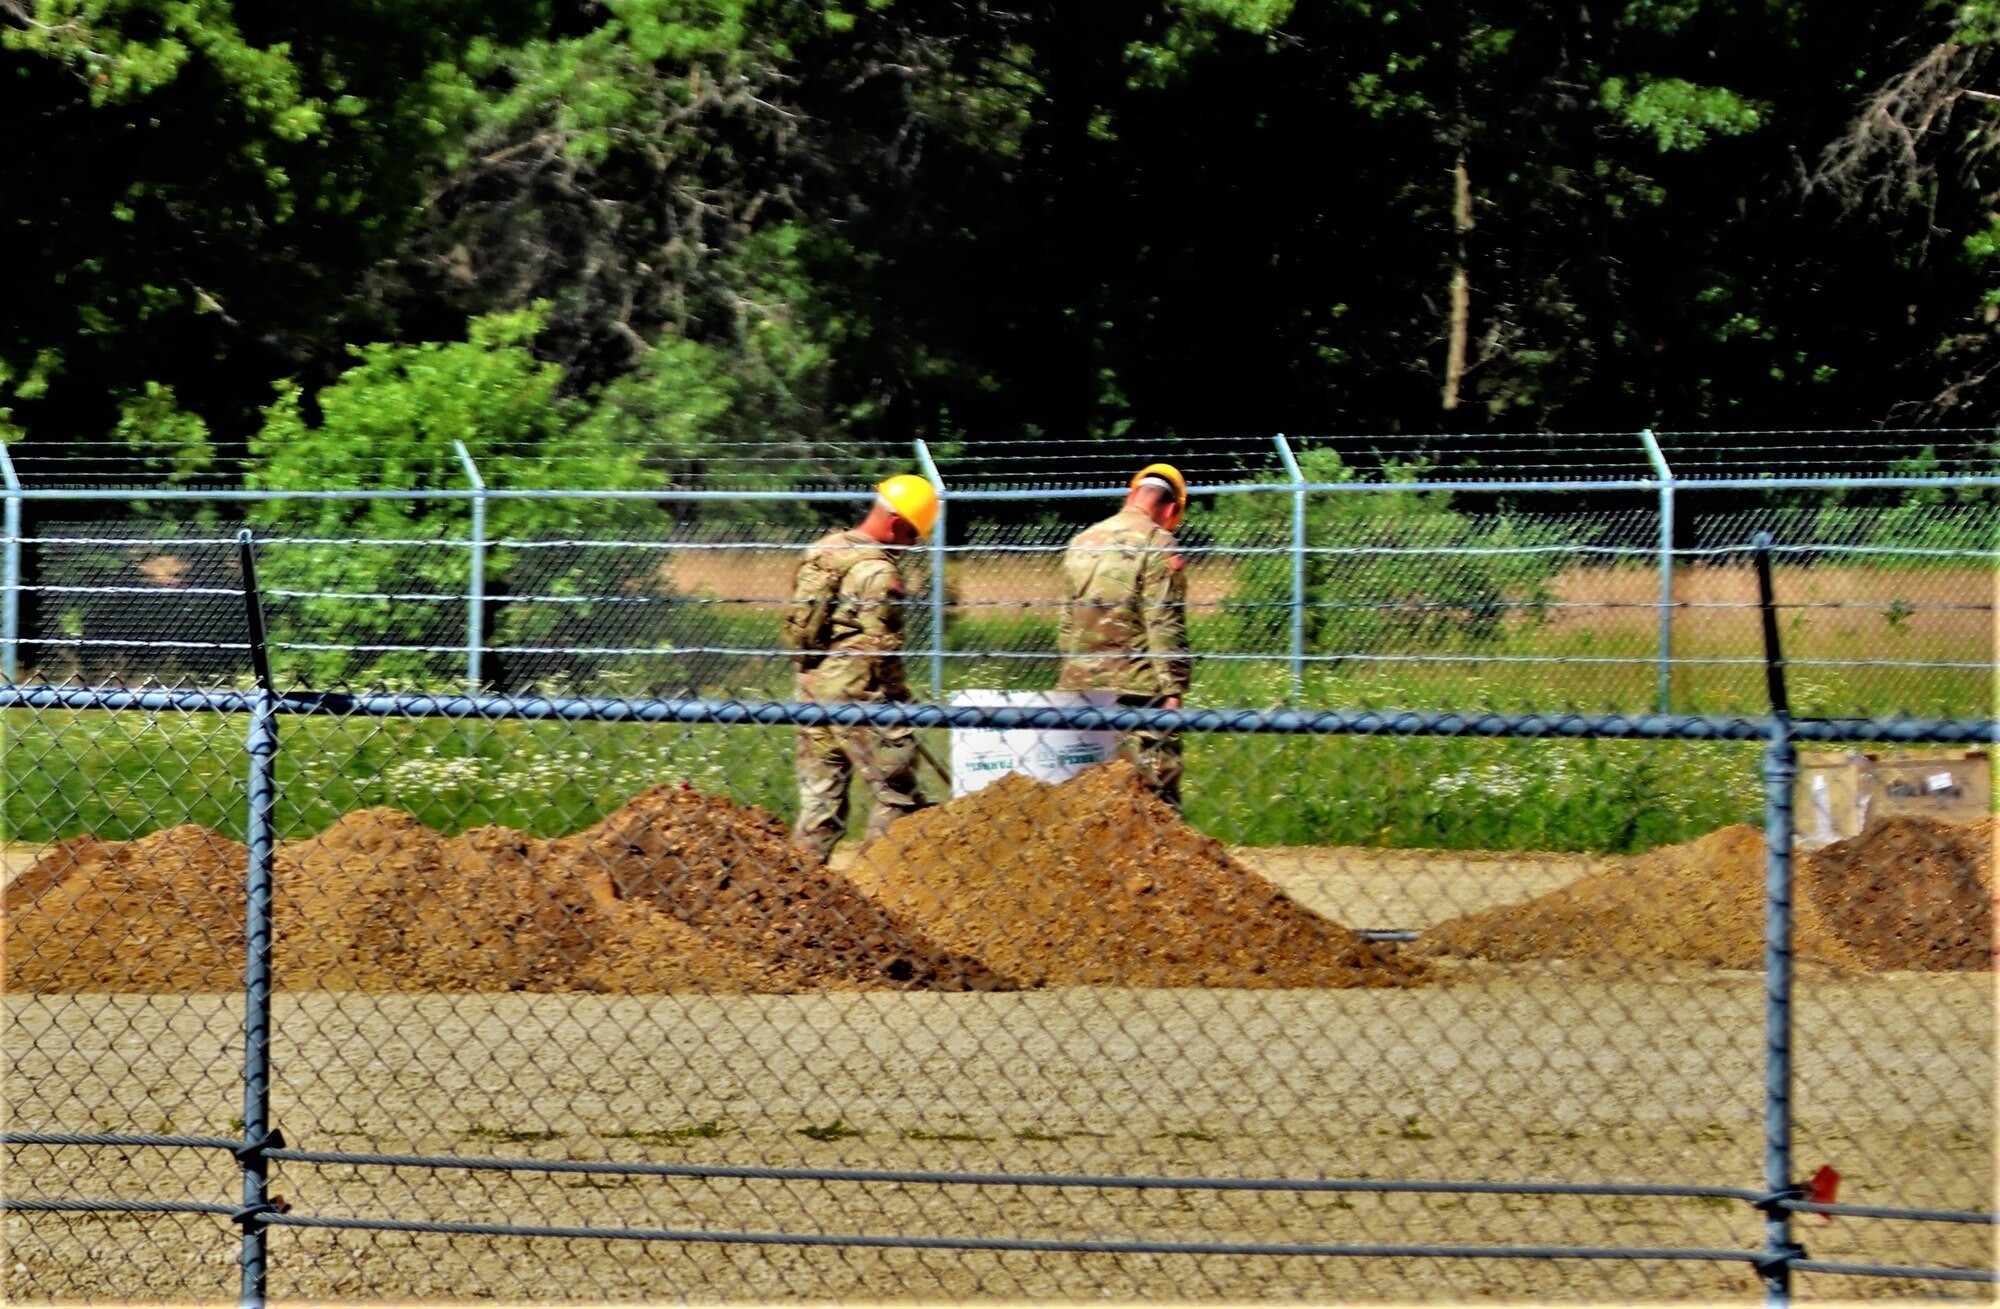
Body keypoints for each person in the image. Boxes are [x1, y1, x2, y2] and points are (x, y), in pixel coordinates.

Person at [782, 473, 940, 863]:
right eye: (912, 535)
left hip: (810, 690)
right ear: (897, 524)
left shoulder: (825, 549)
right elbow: (880, 651)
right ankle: (876, 887)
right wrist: (901, 701)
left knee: (820, 808)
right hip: (858, 698)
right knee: (897, 794)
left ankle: (794, 891)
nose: (912, 545)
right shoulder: (879, 573)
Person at [1057, 463, 1191, 810]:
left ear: (1130, 495)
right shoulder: (1158, 543)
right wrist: (1173, 688)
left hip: (1081, 683)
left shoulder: (1082, 541)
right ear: (1172, 509)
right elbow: (1163, 621)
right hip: (1139, 686)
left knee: (1085, 785)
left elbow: (1067, 622)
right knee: (1155, 793)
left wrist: (1072, 673)